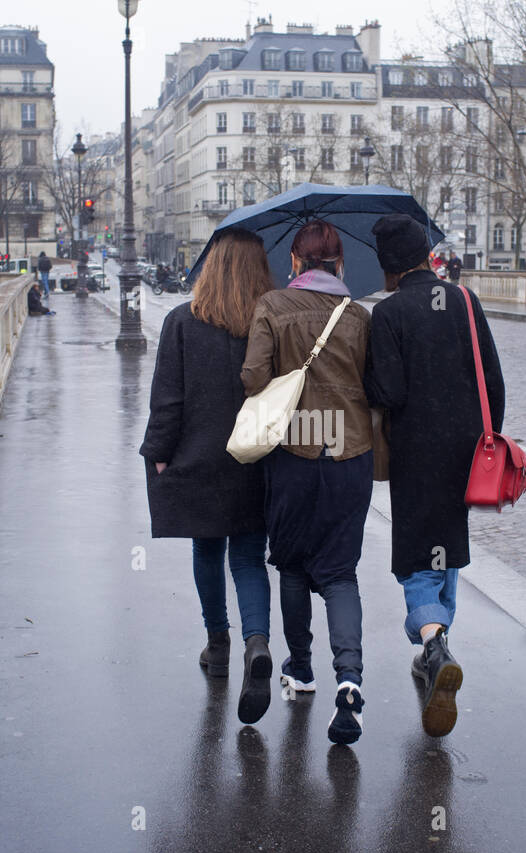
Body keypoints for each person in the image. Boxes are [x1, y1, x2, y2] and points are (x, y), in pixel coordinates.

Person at [365, 214, 505, 738]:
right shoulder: (466, 302)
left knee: (417, 554)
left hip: (416, 452)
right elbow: (492, 380)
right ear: (427, 255)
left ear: (389, 267)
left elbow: (390, 393)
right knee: (446, 543)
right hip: (467, 450)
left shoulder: (390, 313)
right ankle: (434, 646)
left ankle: (432, 641)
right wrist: (484, 441)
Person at [242, 219, 373, 744]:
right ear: (340, 264)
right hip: (350, 452)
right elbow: (377, 384)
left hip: (294, 453)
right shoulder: (359, 315)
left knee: (291, 567)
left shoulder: (272, 307)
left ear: (294, 262)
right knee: (340, 573)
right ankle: (350, 681)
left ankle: (301, 668)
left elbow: (252, 378)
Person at [140, 228, 274, 705]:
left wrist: (158, 453)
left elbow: (167, 401)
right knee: (249, 557)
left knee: (207, 552)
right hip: (256, 460)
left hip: (200, 459)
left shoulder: (181, 322)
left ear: (211, 267)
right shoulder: (269, 321)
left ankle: (218, 645)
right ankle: (256, 642)